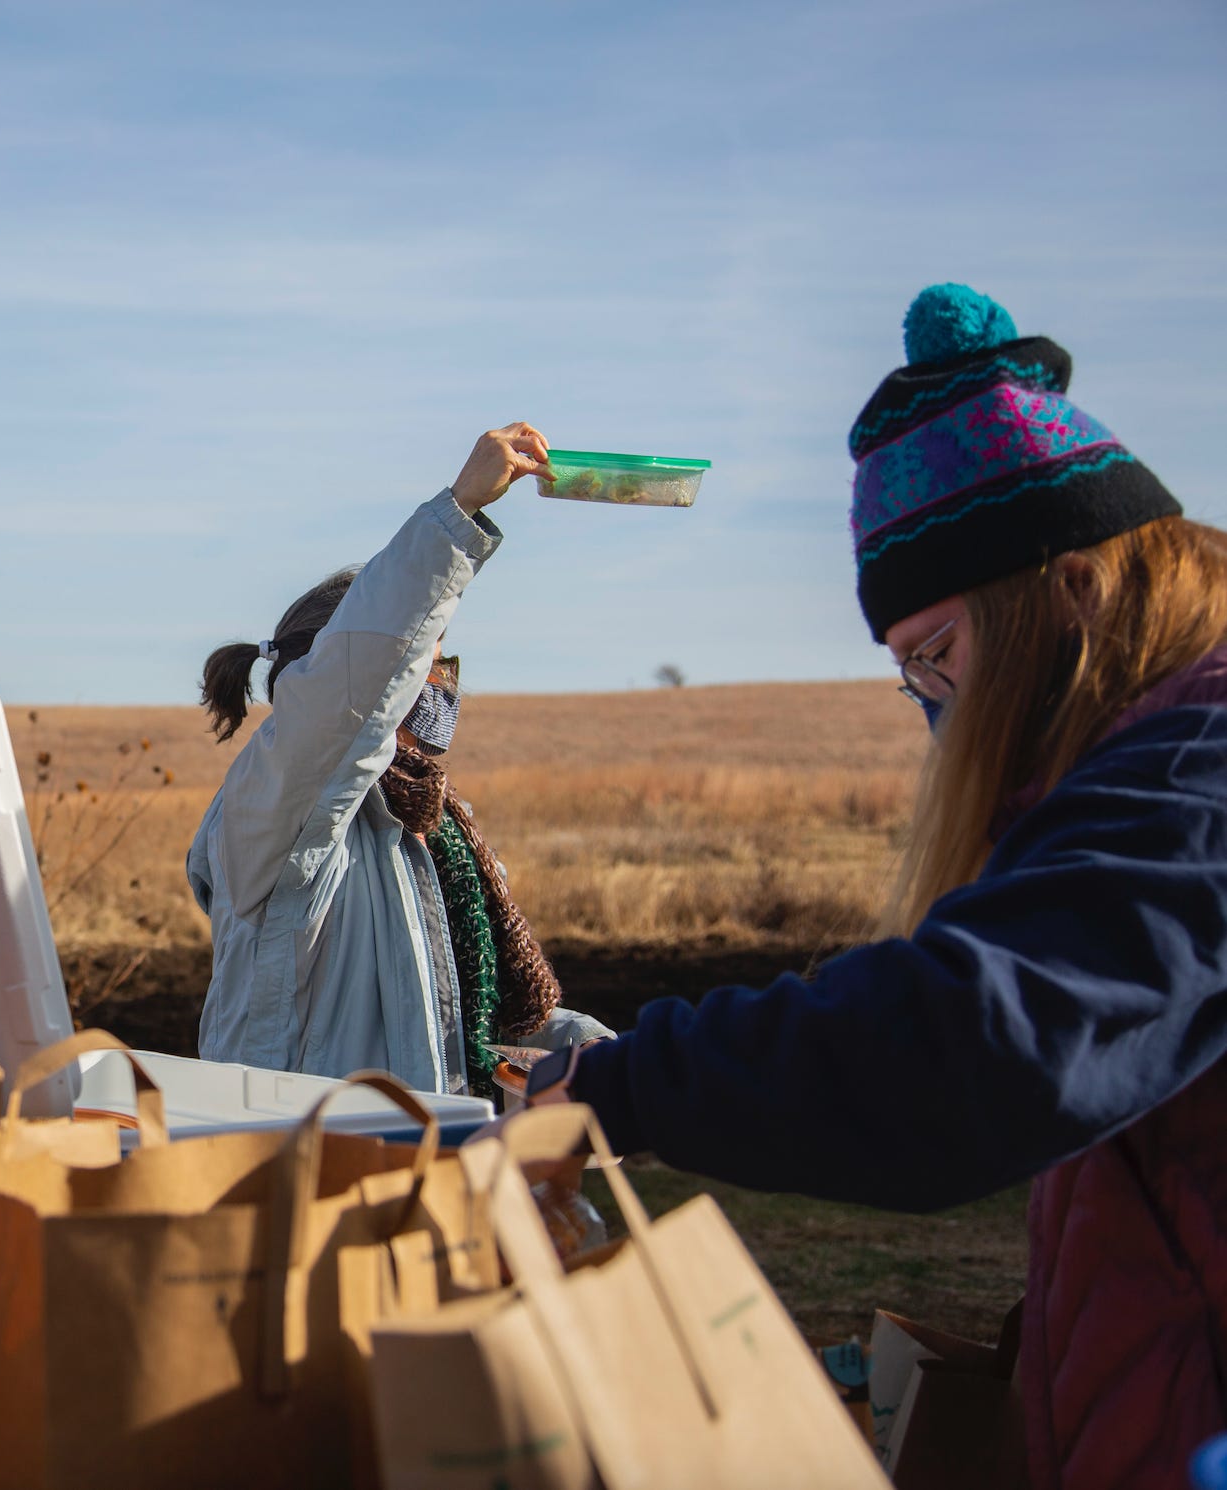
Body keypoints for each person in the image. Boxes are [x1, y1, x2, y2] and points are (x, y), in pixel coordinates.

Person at [528, 285, 1227, 1489]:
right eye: (911, 675)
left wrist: (626, 1084)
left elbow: (973, 1039)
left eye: (938, 655)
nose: (937, 713)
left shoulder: (1197, 778)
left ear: (1071, 590)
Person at [187, 423, 609, 1097]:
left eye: (442, 661)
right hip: (300, 1147)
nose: (439, 683)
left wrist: (592, 1049)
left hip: (425, 1148)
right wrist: (459, 511)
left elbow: (470, 1015)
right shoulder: (278, 813)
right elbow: (352, 689)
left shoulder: (436, 832)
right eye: (422, 661)